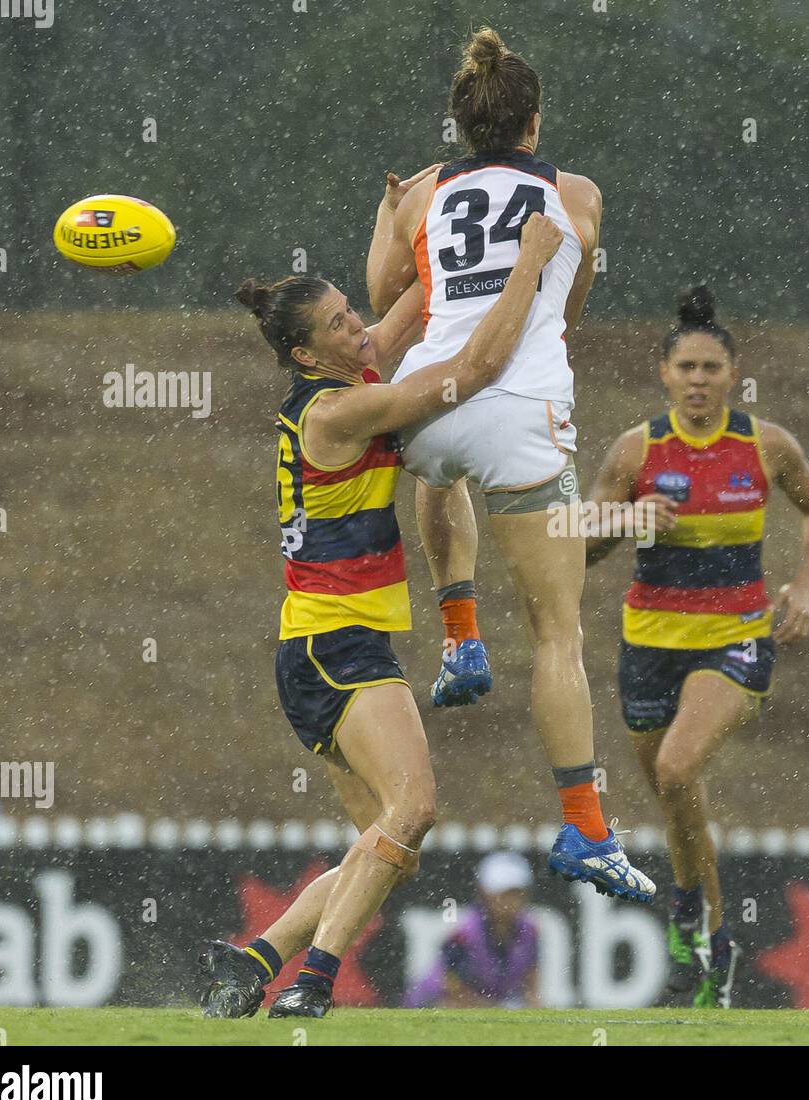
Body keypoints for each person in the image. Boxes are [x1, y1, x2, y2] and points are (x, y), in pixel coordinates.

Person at [198, 212, 564, 1020]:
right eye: (338, 323)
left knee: (386, 849)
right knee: (416, 808)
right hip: (337, 644)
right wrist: (530, 260)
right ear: (303, 354)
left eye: (348, 310)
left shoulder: (348, 381)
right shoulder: (335, 412)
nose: (358, 327)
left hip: (317, 645)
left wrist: (415, 223)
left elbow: (412, 308)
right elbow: (473, 366)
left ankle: (255, 959)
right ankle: (316, 982)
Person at [365, 27, 653, 904]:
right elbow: (570, 299)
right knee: (559, 637)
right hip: (526, 415)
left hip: (435, 396)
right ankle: (587, 828)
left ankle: (458, 633)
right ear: (535, 123)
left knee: (435, 465)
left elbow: (387, 304)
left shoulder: (416, 196)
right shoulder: (579, 194)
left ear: (459, 127)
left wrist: (394, 213)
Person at [585, 286, 809, 1007]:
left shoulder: (766, 444)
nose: (698, 380)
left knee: (677, 764)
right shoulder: (636, 449)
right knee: (674, 794)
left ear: (732, 374)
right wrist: (629, 517)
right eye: (686, 367)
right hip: (649, 641)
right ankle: (713, 937)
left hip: (736, 636)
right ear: (665, 374)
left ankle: (692, 911)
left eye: (710, 368)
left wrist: (805, 586)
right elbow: (582, 545)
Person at [404, 851, 540, 1008]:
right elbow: (450, 989)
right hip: (431, 1004)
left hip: (489, 1009)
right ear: (484, 893)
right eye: (504, 894)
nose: (512, 900)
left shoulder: (530, 933)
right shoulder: (463, 933)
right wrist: (497, 1009)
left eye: (517, 893)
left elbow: (531, 986)